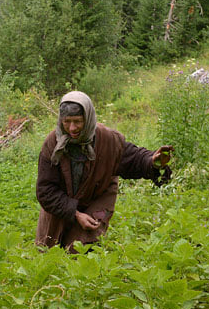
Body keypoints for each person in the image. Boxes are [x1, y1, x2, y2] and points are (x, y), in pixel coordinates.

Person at [35, 91, 173, 251]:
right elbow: (45, 190)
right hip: (60, 204)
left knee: (80, 251)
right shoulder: (53, 144)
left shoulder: (108, 140)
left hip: (96, 200)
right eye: (67, 122)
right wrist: (75, 214)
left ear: (88, 119)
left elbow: (133, 158)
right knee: (50, 251)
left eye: (78, 121)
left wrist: (153, 162)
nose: (72, 128)